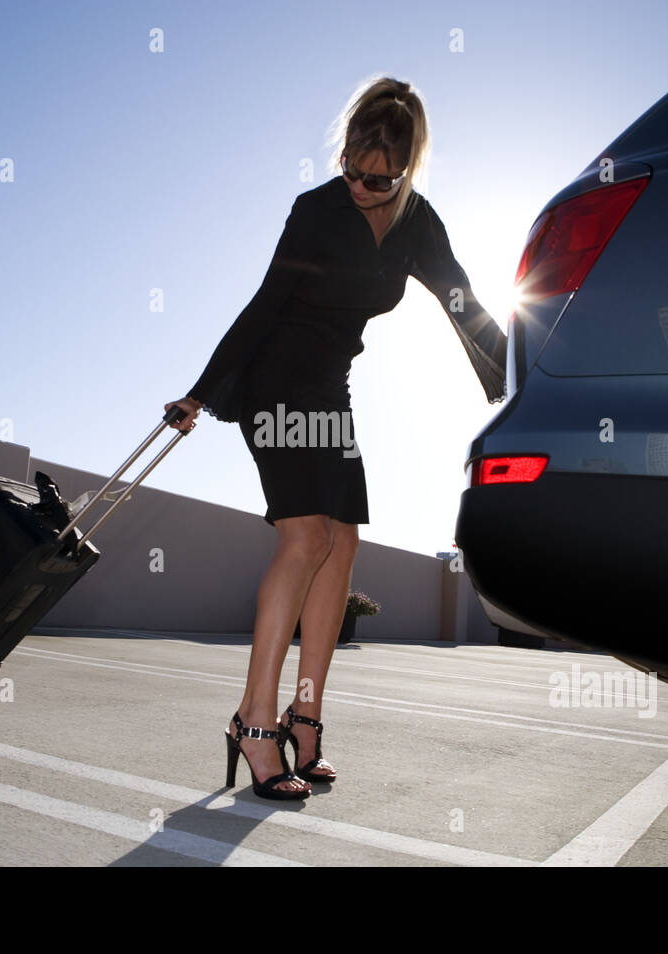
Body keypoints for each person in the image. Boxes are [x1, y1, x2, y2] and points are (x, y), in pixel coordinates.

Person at [165, 75, 507, 799]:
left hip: (329, 387)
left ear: (406, 171)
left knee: (343, 542)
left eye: (378, 179)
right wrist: (201, 392)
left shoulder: (418, 222)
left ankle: (306, 712)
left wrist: (517, 380)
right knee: (306, 538)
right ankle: (254, 720)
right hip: (273, 380)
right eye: (353, 169)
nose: (360, 186)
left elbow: (461, 302)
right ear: (345, 152)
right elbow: (264, 305)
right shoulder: (316, 210)